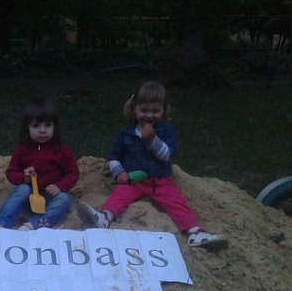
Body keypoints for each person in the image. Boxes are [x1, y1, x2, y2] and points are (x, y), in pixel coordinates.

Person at [77, 81, 226, 248]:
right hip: (134, 181)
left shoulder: (166, 131)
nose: (149, 115)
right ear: (134, 109)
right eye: (144, 110)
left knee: (176, 203)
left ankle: (194, 232)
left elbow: (167, 155)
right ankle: (104, 218)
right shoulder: (125, 134)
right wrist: (119, 172)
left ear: (164, 111)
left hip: (159, 181)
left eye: (155, 111)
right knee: (118, 196)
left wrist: (152, 140)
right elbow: (113, 157)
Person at [0, 98, 80, 230]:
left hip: (51, 196)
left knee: (64, 200)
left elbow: (73, 173)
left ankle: (35, 224)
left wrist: (59, 186)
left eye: (48, 125)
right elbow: (11, 172)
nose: (42, 130)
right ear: (27, 128)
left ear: (55, 127)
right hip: (29, 194)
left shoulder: (62, 151)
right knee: (22, 189)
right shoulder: (22, 150)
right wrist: (24, 178)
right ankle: (1, 223)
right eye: (36, 126)